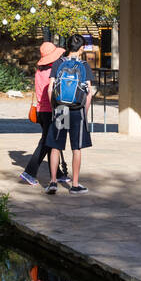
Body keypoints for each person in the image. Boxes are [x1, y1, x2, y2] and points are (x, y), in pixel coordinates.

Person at [45, 34, 95, 194]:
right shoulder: (84, 65)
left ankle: (53, 182)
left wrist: (55, 107)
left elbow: (50, 88)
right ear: (81, 48)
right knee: (76, 148)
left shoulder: (58, 63)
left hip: (60, 109)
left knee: (55, 146)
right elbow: (89, 92)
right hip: (77, 110)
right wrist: (84, 111)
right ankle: (74, 184)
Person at [19, 41, 70, 187]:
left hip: (42, 111)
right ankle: (29, 172)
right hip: (52, 111)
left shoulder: (39, 72)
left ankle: (58, 173)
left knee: (51, 142)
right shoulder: (52, 72)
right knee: (46, 143)